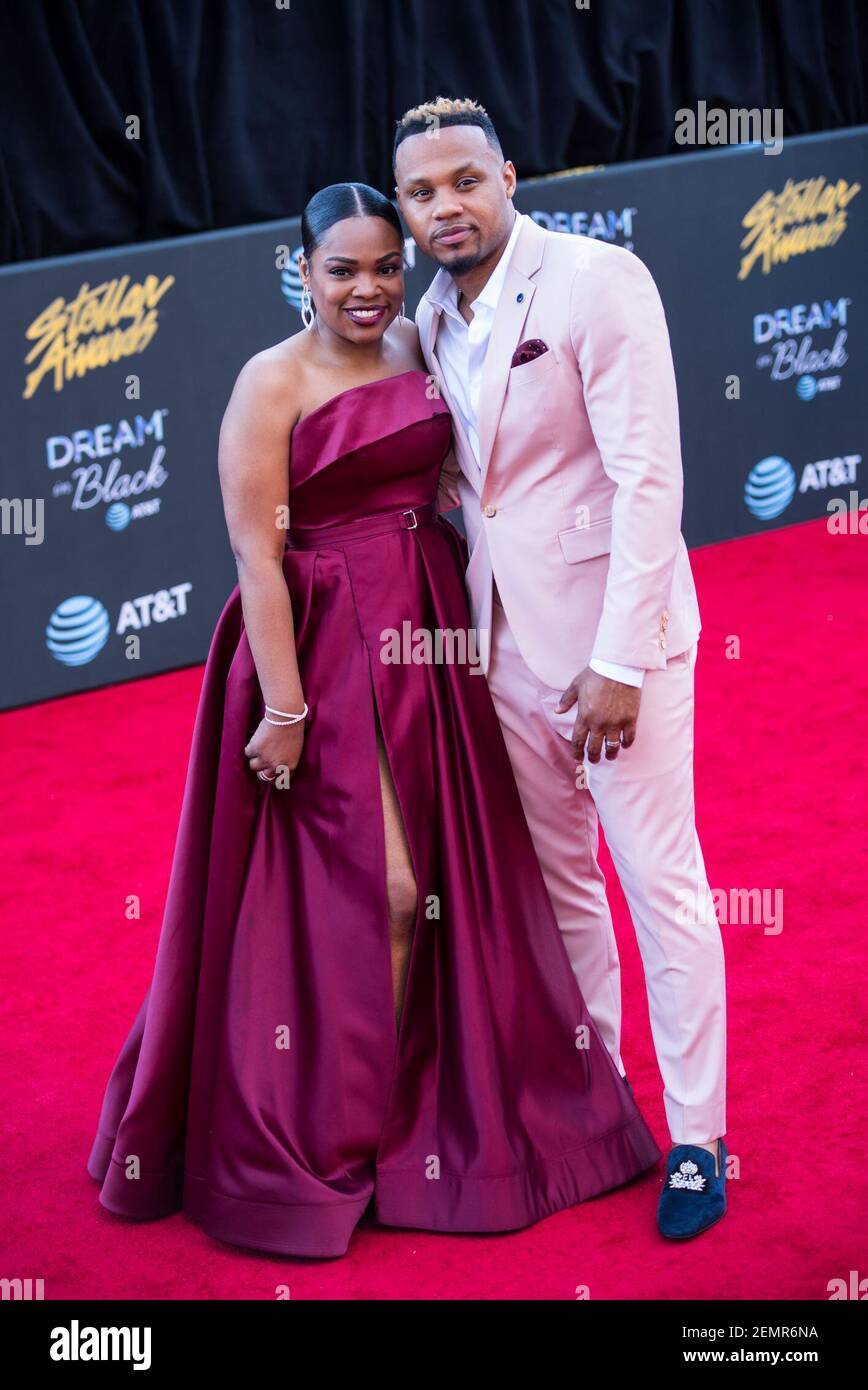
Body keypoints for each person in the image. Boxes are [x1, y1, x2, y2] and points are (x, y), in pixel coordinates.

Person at [87, 182, 661, 1260]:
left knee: (455, 875)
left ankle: (422, 1118)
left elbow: (464, 471)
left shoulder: (418, 343)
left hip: (434, 626)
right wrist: (288, 704)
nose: (368, 287)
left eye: (384, 265)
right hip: (326, 645)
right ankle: (329, 1124)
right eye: (342, 268)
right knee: (383, 888)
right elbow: (258, 554)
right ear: (297, 269)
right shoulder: (272, 380)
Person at [395, 97, 729, 1239]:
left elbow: (650, 479)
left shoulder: (598, 280)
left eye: (463, 182)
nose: (445, 206)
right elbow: (472, 481)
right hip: (500, 653)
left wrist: (619, 661)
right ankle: (600, 1102)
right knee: (564, 892)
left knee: (660, 887)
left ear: (509, 177)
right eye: (421, 193)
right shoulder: (428, 316)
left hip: (613, 654)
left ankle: (697, 1137)